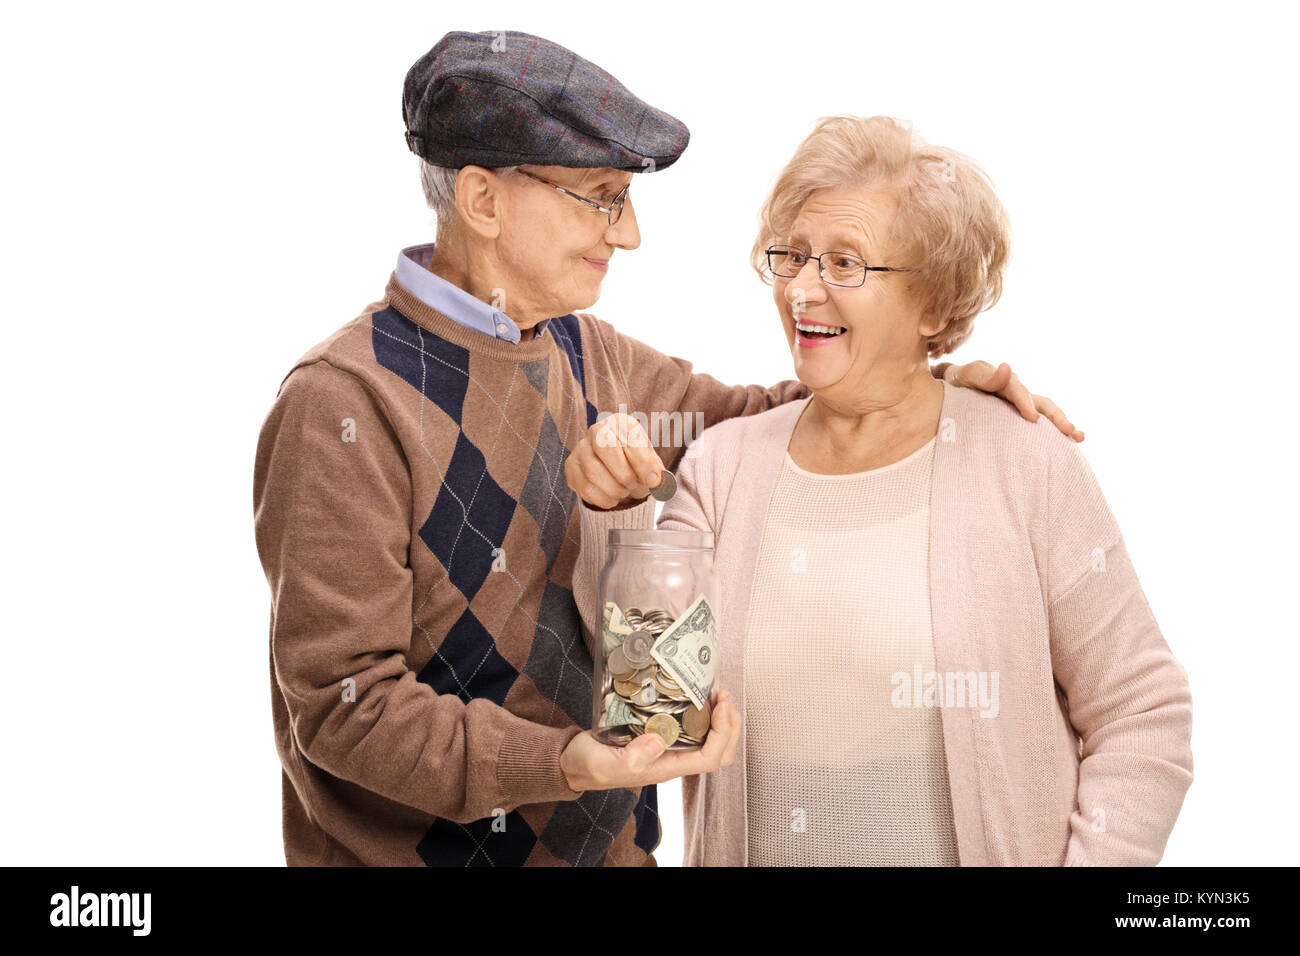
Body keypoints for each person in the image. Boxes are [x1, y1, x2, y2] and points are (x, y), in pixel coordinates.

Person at [253, 31, 1080, 867]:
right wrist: (563, 763)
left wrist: (925, 380)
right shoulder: (343, 402)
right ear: (483, 200)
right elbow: (343, 709)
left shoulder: (589, 354)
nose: (632, 233)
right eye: (604, 196)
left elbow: (759, 421)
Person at [569, 115, 1191, 866]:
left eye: (845, 263)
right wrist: (616, 504)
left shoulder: (1024, 462)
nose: (802, 289)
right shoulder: (722, 467)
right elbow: (645, 706)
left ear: (932, 305)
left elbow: (1141, 710)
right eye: (792, 257)